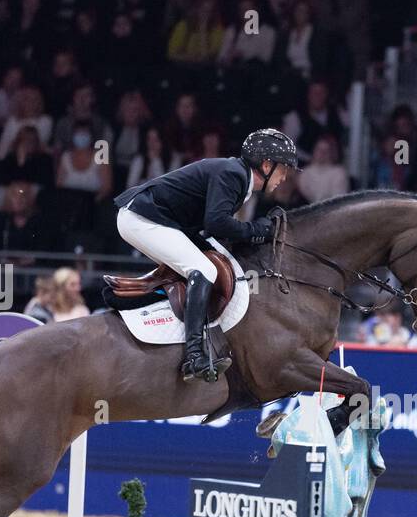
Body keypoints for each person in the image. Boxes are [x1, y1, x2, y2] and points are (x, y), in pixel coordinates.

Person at [112, 128, 297, 381]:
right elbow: (216, 223)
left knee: (216, 261)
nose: (285, 177)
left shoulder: (237, 177)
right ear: (266, 165)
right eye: (283, 169)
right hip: (142, 219)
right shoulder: (233, 174)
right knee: (204, 269)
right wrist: (255, 230)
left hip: (160, 220)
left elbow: (212, 227)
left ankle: (127, 301)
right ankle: (195, 356)